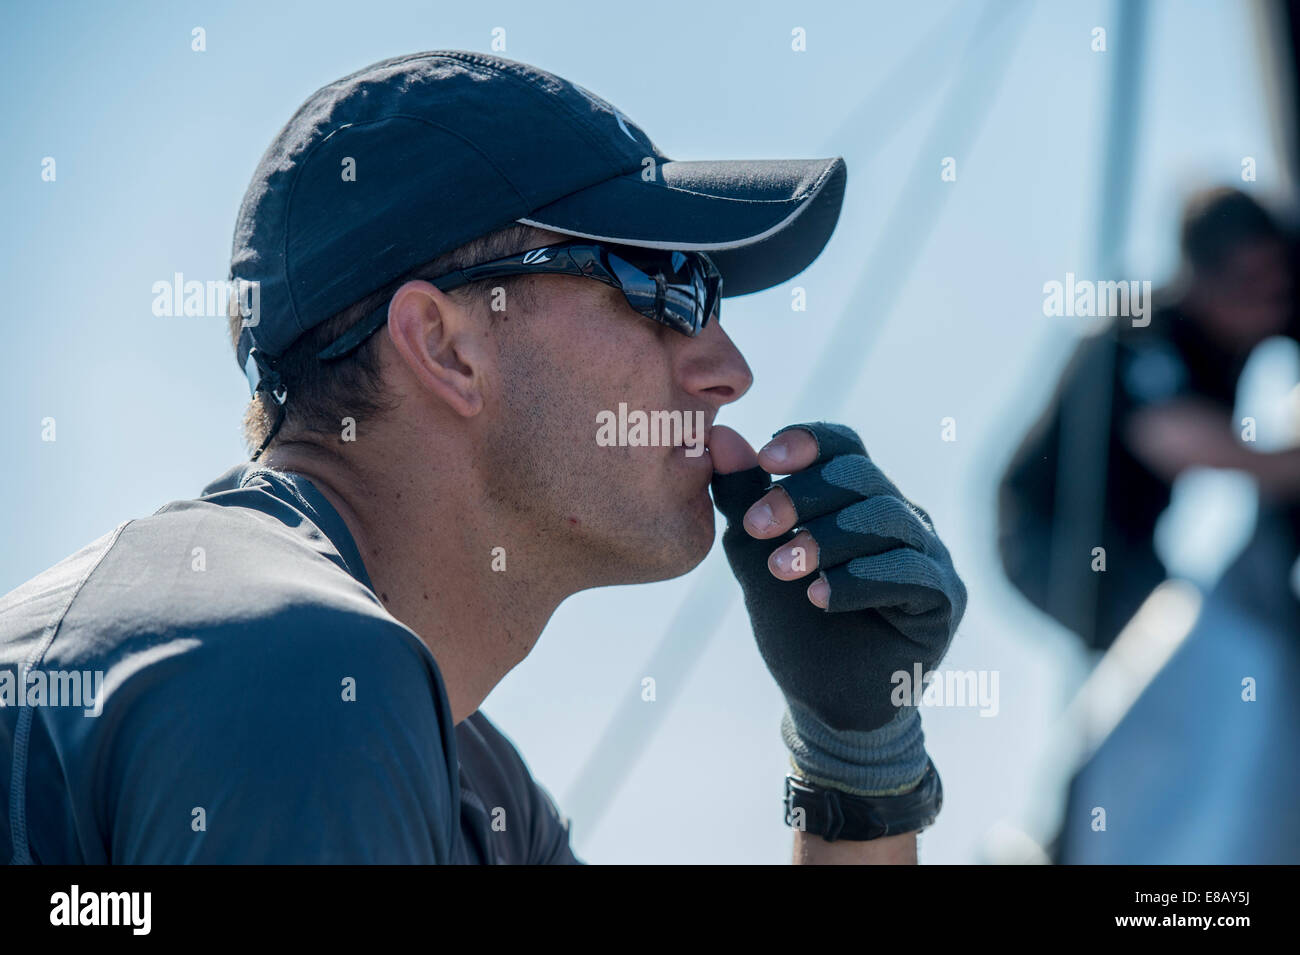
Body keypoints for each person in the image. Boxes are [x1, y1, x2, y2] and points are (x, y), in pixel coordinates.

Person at [0, 51, 965, 864]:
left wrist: (857, 761)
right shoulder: (302, 674)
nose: (730, 369)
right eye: (664, 287)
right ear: (447, 345)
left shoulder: (472, 782)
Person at [999, 186, 1299, 652]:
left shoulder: (1260, 312)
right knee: (1191, 652)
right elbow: (1175, 437)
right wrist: (1287, 469)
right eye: (1252, 280)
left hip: (1140, 542)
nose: (1275, 292)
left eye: (1278, 270)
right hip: (1051, 540)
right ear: (1205, 284)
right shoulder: (1141, 328)